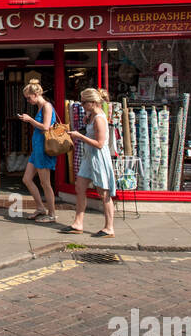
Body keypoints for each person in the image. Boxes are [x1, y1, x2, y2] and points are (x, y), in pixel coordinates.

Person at [64, 87, 116, 236]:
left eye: (84, 102)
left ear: (93, 102)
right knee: (80, 186)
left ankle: (109, 227)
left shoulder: (99, 118)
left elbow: (100, 143)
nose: (81, 105)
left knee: (103, 192)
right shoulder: (92, 115)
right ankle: (78, 223)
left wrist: (80, 136)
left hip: (98, 156)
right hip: (88, 156)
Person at [16, 80, 57, 222]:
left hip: (44, 149)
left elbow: (45, 127)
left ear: (36, 94)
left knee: (45, 183)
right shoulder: (41, 107)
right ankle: (40, 207)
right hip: (37, 149)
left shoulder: (46, 106)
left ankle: (52, 214)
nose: (28, 101)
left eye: (28, 97)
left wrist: (30, 120)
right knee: (26, 179)